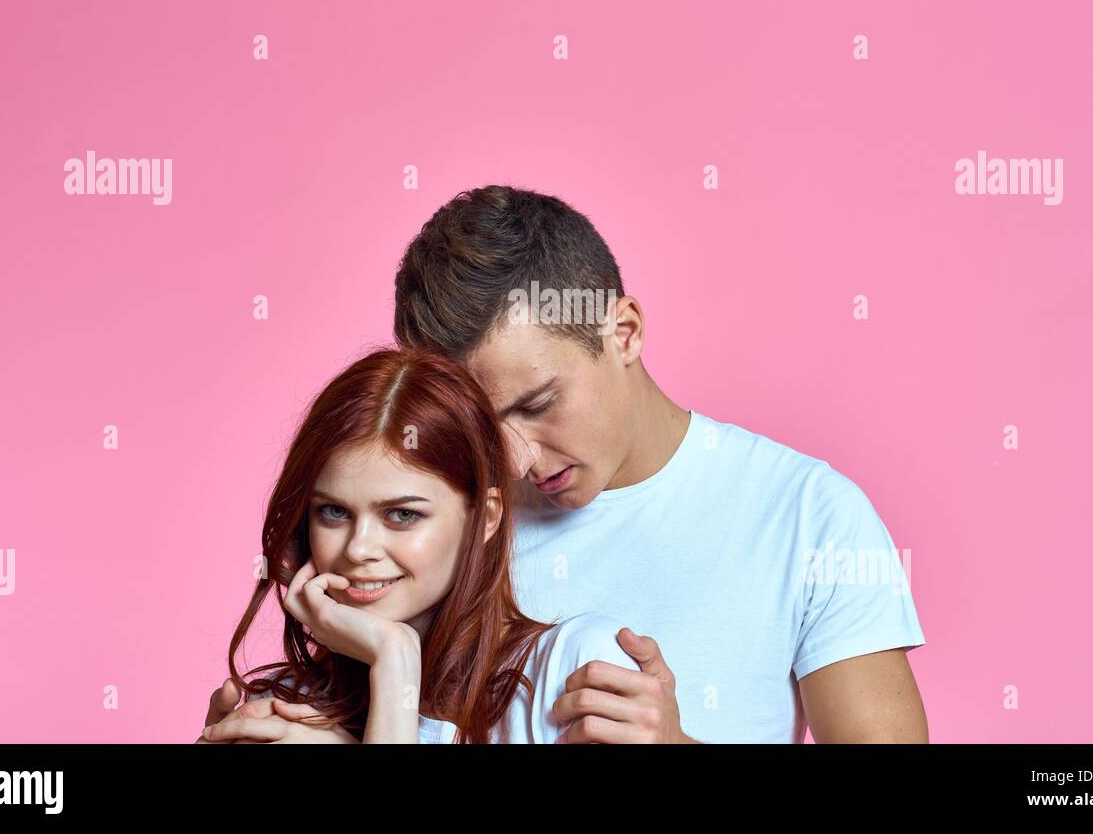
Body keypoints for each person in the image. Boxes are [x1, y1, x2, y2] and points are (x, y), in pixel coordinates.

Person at [205, 184, 928, 743]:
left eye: (535, 402)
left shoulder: (806, 514)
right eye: (482, 428)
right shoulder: (432, 521)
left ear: (624, 331)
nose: (513, 459)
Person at [197, 346, 640, 744]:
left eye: (402, 514)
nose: (359, 549)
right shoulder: (290, 712)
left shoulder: (580, 672)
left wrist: (395, 664)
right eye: (334, 512)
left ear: (484, 519)